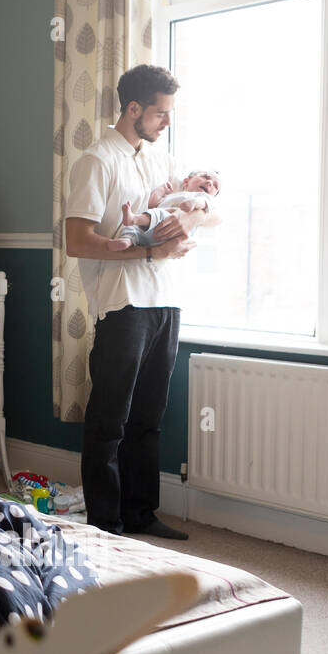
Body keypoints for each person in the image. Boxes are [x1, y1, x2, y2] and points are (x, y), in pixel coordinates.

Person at [63, 64, 207, 540]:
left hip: (165, 302)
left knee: (149, 418)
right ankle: (106, 524)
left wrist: (192, 213)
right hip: (122, 304)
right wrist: (148, 250)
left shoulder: (158, 159)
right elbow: (77, 240)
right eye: (161, 114)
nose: (167, 122)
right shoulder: (96, 161)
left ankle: (141, 514)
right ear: (133, 109)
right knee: (110, 421)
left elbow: (190, 208)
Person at [108, 170, 222, 251]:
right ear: (186, 181)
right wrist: (161, 190)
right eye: (205, 177)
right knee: (134, 230)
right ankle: (127, 241)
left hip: (173, 231)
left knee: (159, 214)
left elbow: (205, 203)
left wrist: (194, 203)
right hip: (151, 229)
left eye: (215, 185)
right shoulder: (174, 195)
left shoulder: (203, 197)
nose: (210, 183)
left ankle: (134, 219)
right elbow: (153, 204)